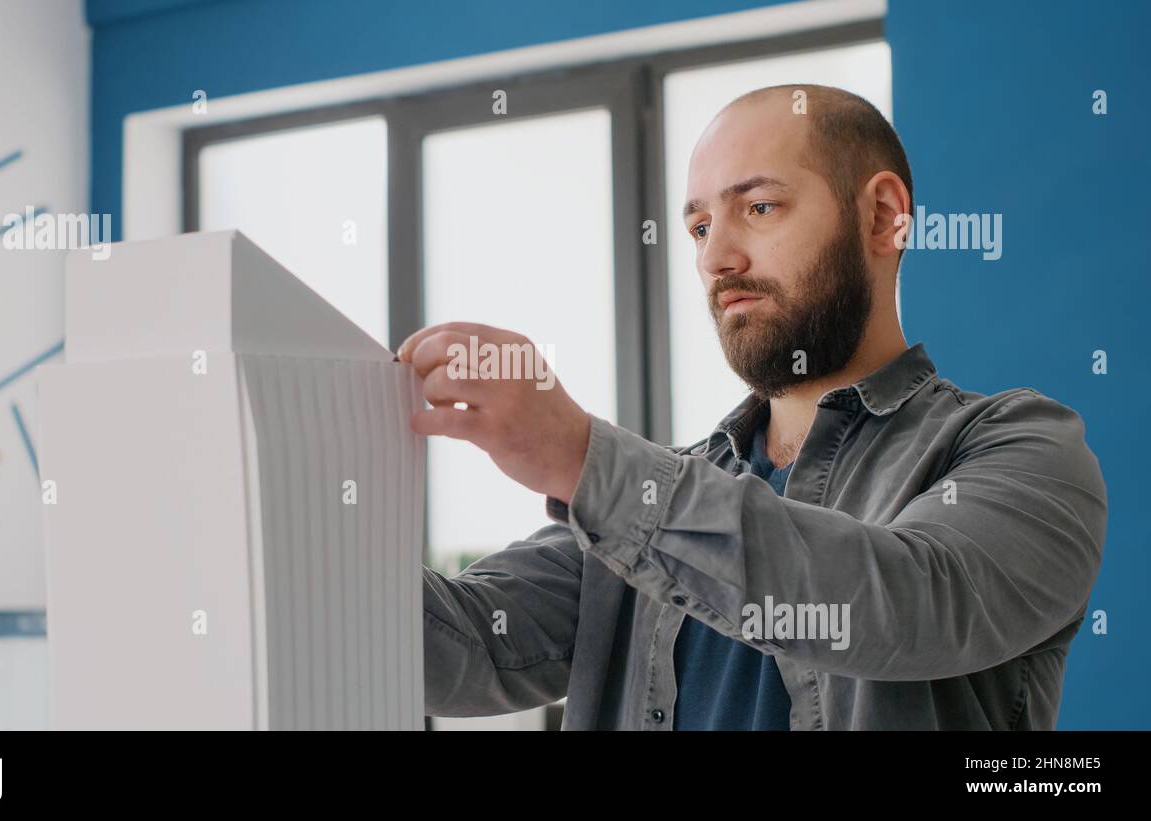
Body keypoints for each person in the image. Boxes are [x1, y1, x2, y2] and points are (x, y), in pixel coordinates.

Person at [400, 84, 1106, 730]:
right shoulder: (646, 498)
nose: (716, 258)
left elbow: (905, 601)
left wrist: (585, 459)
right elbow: (458, 648)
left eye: (758, 207)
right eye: (701, 227)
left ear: (884, 216)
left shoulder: (1022, 447)